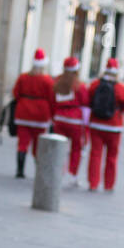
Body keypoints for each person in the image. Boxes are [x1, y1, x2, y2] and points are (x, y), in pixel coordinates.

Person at [86, 58, 124, 191]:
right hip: (114, 126)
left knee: (95, 154)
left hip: (96, 124)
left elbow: (89, 100)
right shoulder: (121, 88)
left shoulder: (95, 84)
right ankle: (109, 184)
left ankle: (93, 183)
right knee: (112, 157)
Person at [11, 48, 55, 178]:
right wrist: (52, 115)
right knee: (38, 144)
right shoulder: (47, 80)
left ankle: (20, 170)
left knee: (22, 143)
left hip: (23, 112)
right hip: (40, 115)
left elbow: (16, 93)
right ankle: (39, 171)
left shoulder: (23, 77)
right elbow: (52, 99)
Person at [51, 56, 90, 188]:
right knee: (76, 148)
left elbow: (52, 100)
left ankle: (58, 171)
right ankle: (72, 174)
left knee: (59, 147)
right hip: (74, 120)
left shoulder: (57, 81)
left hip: (59, 118)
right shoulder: (79, 85)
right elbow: (85, 102)